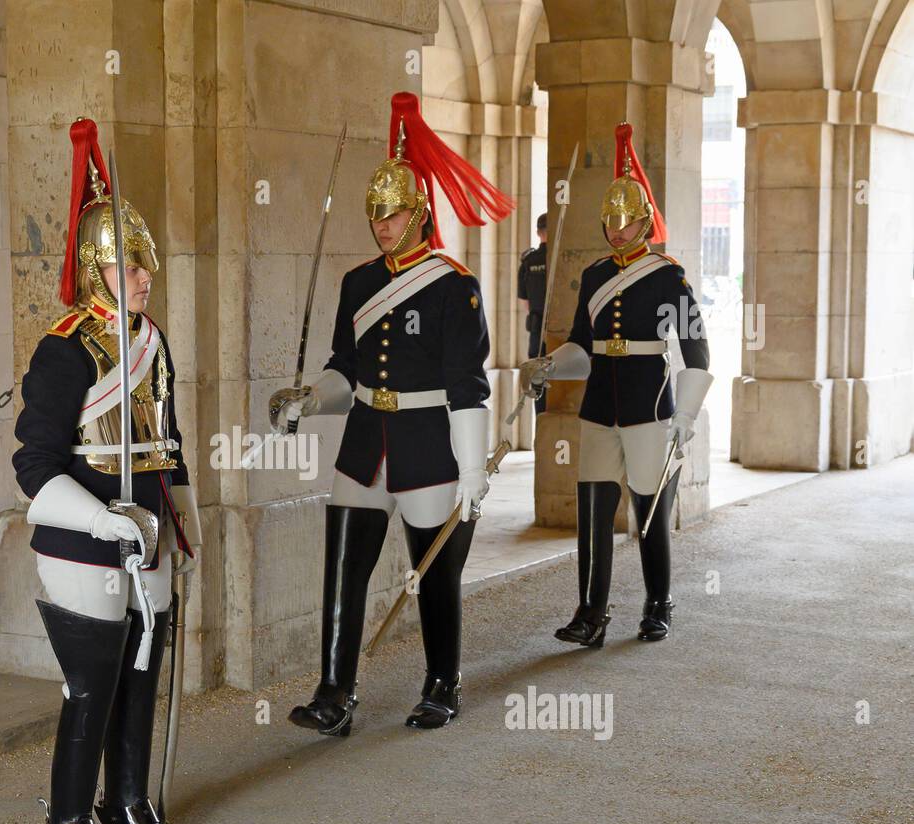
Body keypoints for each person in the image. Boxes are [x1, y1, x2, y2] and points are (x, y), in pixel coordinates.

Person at [271, 93, 512, 735]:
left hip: (429, 442)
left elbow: (467, 385)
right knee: (344, 564)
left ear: (419, 211)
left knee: (432, 574)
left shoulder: (453, 285)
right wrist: (309, 400)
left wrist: (471, 470)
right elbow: (343, 370)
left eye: (394, 212)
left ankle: (442, 681)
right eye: (376, 213)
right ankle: (334, 690)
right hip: (364, 440)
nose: (383, 224)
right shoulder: (357, 283)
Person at [12, 118, 202, 824]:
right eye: (127, 264)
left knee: (142, 675)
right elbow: (34, 466)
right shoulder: (64, 349)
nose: (143, 274)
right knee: (90, 681)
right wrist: (101, 518)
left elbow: (170, 438)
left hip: (151, 527)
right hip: (85, 534)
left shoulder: (152, 340)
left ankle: (129, 805)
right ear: (97, 270)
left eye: (145, 261)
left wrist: (185, 516)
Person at [519, 123, 712, 647]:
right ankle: (591, 612)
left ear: (645, 221)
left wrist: (687, 414)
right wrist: (551, 366)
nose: (618, 231)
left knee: (648, 514)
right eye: (611, 221)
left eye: (627, 222)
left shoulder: (669, 276)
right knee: (593, 511)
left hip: (650, 406)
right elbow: (583, 347)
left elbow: (696, 351)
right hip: (599, 405)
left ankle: (658, 603)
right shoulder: (596, 275)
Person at [516, 213, 549, 413]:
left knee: (539, 387)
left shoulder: (528, 261)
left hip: (537, 335)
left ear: (538, 232)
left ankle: (542, 434)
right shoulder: (562, 257)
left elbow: (524, 303)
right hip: (563, 335)